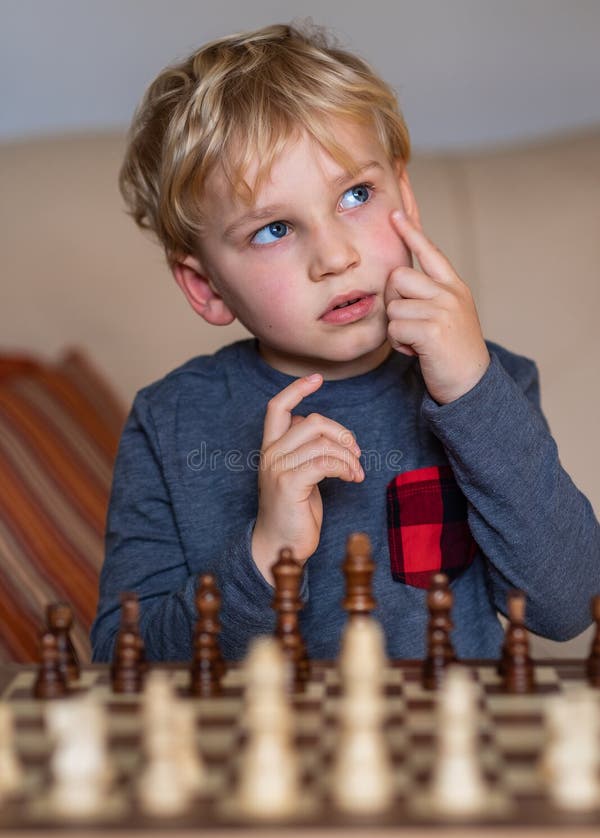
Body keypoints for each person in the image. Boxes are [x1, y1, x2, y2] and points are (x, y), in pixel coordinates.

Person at [91, 21, 599, 662]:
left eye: (355, 195)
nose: (335, 257)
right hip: (266, 730)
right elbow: (122, 665)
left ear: (405, 198)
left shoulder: (488, 384)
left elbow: (569, 608)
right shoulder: (168, 420)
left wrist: (473, 395)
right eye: (274, 229)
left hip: (452, 725)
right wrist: (267, 553)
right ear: (207, 287)